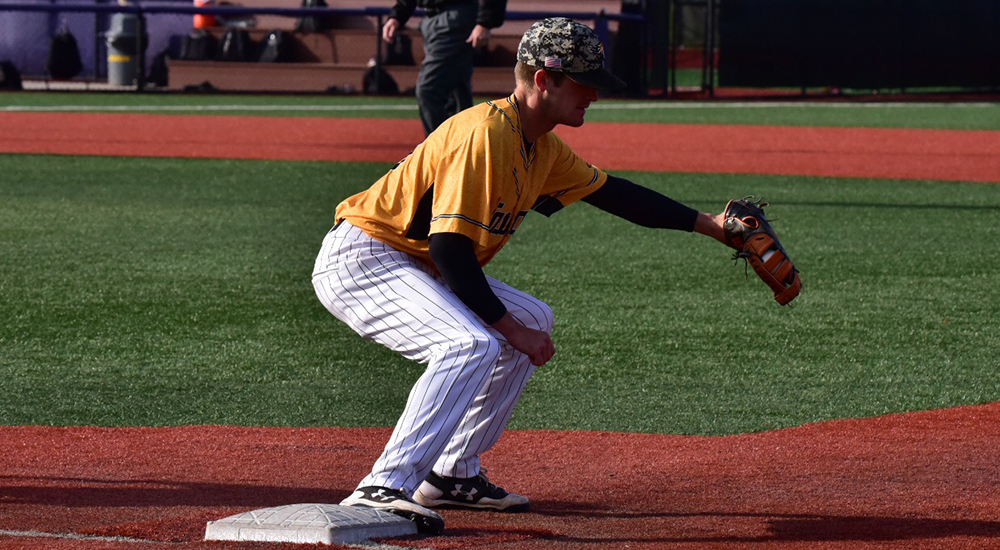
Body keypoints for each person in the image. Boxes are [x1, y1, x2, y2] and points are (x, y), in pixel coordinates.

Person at [312, 17, 730, 535]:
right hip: (366, 258)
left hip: (415, 261)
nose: (594, 95)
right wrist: (510, 331)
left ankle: (451, 473)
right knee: (471, 344)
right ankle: (383, 486)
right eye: (583, 83)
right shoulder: (484, 134)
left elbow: (617, 196)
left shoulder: (541, 146)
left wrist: (712, 226)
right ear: (542, 81)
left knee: (534, 316)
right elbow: (450, 247)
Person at [381, 0, 507, 135]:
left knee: (428, 89)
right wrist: (398, 15)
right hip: (435, 19)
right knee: (457, 94)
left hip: (456, 16)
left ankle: (439, 151)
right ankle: (464, 148)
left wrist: (485, 22)